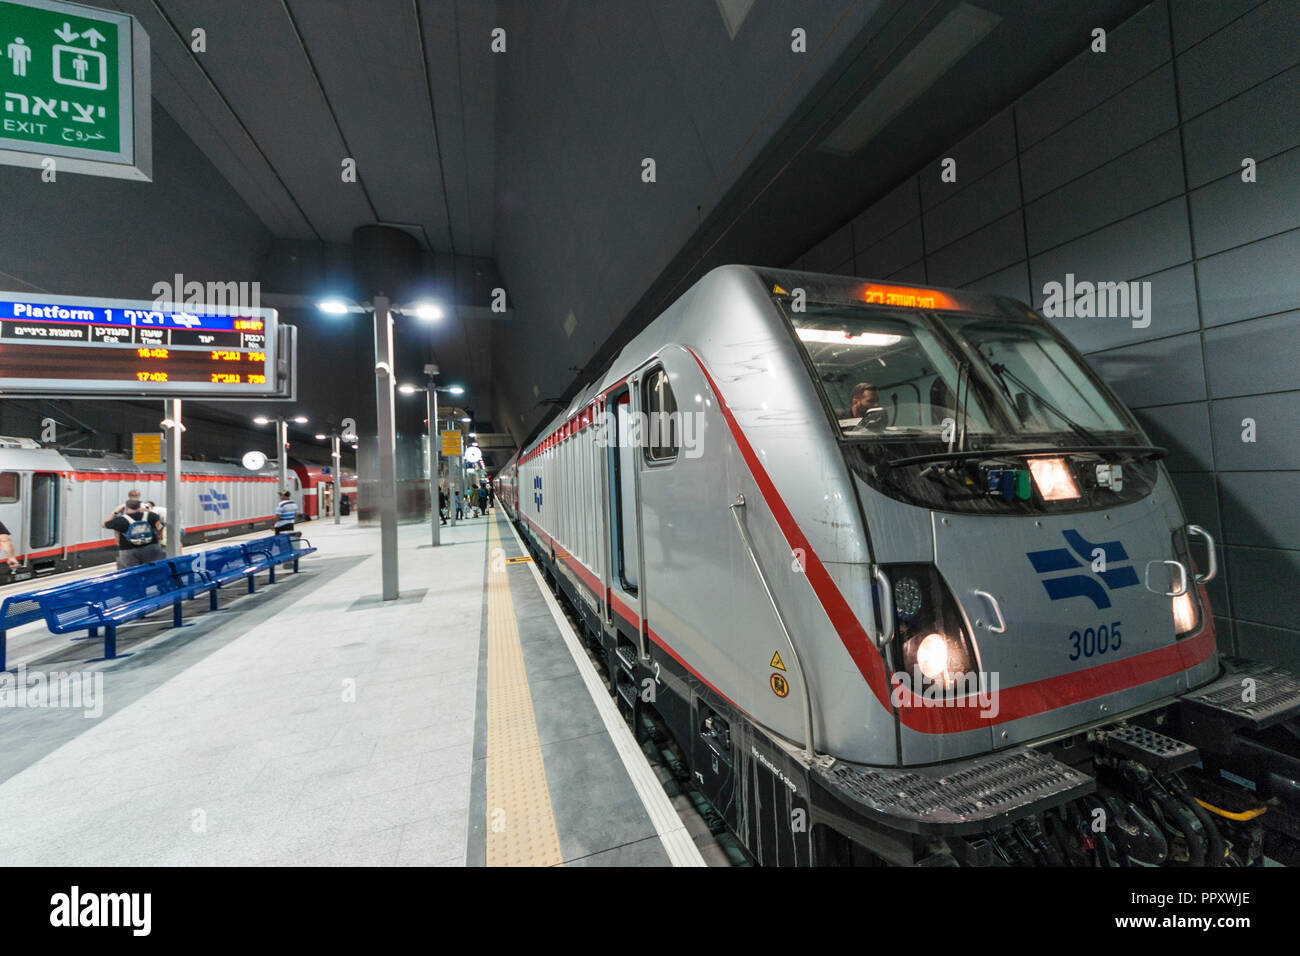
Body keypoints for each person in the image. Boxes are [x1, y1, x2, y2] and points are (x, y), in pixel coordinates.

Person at [104, 499, 165, 569]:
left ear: (126, 508)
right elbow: (159, 523)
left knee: (133, 572)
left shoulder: (120, 520)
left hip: (128, 550)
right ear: (139, 506)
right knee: (154, 570)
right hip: (151, 547)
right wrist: (145, 509)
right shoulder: (151, 516)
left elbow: (105, 524)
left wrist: (115, 512)